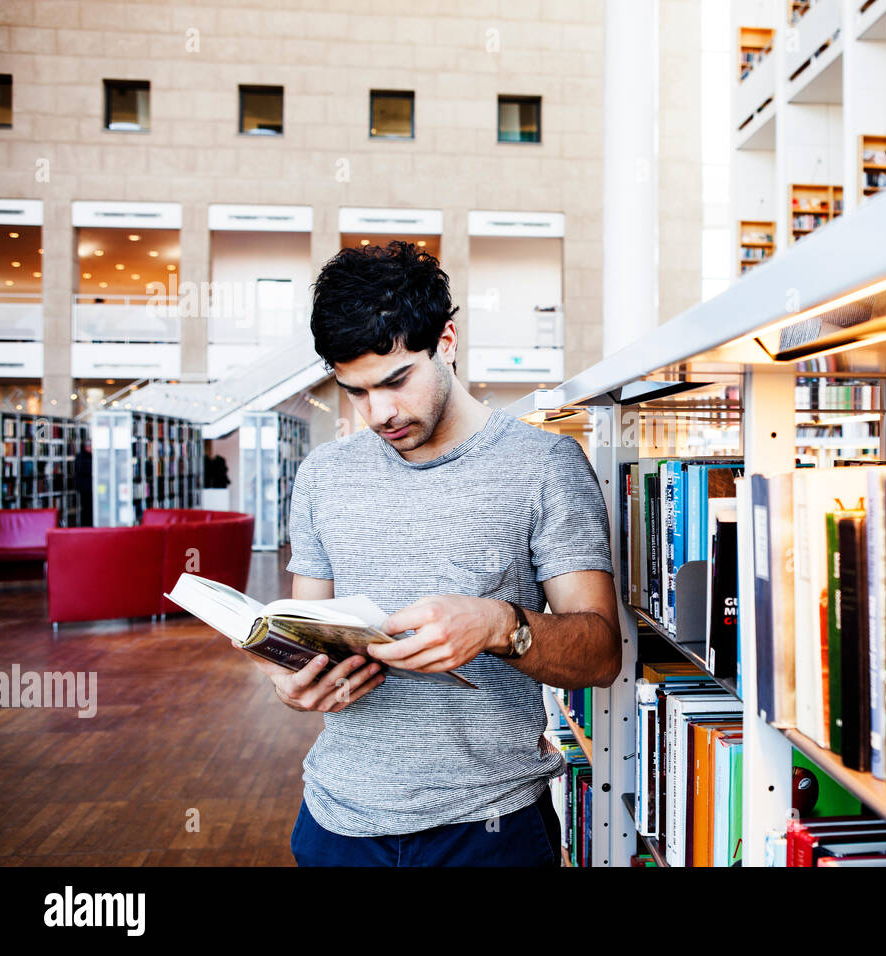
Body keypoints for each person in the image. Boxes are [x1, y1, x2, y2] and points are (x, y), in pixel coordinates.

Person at [247, 240, 621, 867]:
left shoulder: (546, 465)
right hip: (334, 823)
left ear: (447, 340)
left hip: (488, 827)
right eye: (356, 392)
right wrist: (290, 679)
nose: (380, 413)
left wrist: (502, 627)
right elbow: (304, 630)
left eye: (396, 380)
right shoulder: (323, 475)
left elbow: (601, 653)